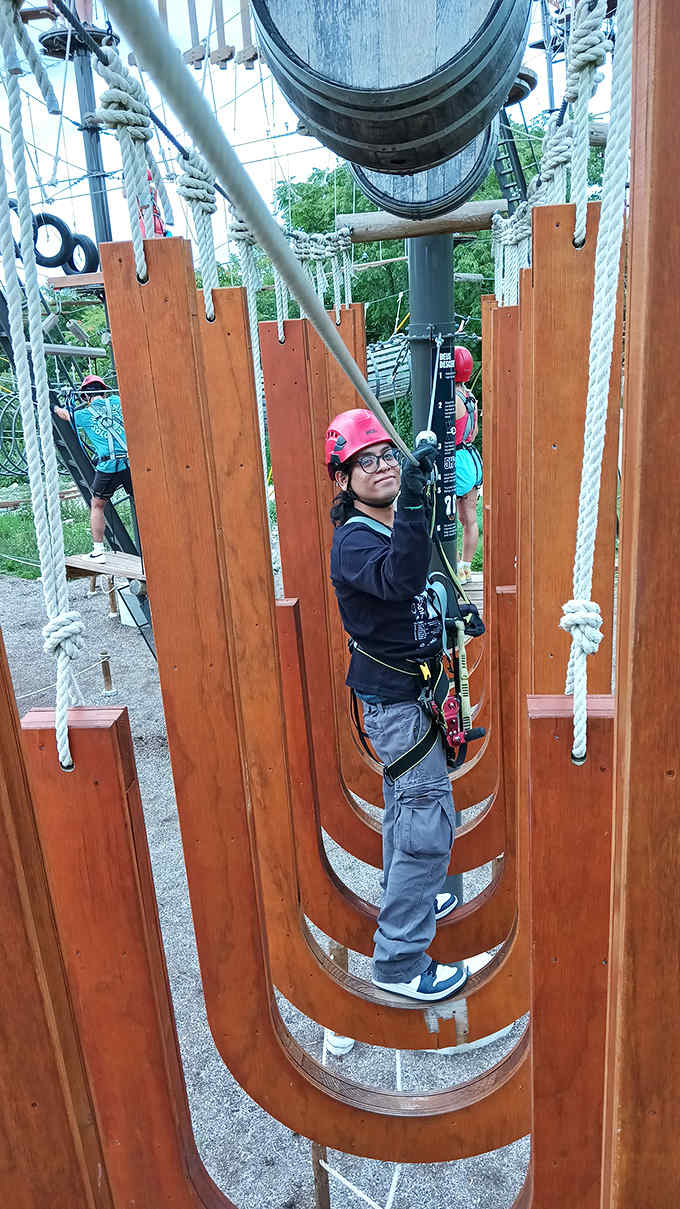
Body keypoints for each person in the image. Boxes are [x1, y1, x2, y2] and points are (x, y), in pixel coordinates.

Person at [326, 408, 468, 1003]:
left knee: (408, 808)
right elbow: (401, 581)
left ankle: (411, 891)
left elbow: (420, 582)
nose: (381, 467)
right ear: (343, 479)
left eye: (387, 456)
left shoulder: (381, 528)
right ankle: (400, 960)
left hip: (415, 695)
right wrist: (414, 504)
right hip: (398, 705)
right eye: (367, 461)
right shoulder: (354, 541)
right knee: (426, 820)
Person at [54, 375, 131, 561]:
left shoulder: (84, 415)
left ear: (86, 397)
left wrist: (54, 407)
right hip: (129, 463)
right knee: (140, 501)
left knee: (97, 505)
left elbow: (65, 415)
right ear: (103, 392)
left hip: (108, 467)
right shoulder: (117, 401)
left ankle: (98, 551)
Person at [453, 346, 482, 585]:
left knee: (447, 514)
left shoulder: (451, 398)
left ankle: (451, 567)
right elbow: (474, 430)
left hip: (455, 461)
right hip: (471, 458)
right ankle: (465, 568)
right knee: (469, 518)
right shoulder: (469, 395)